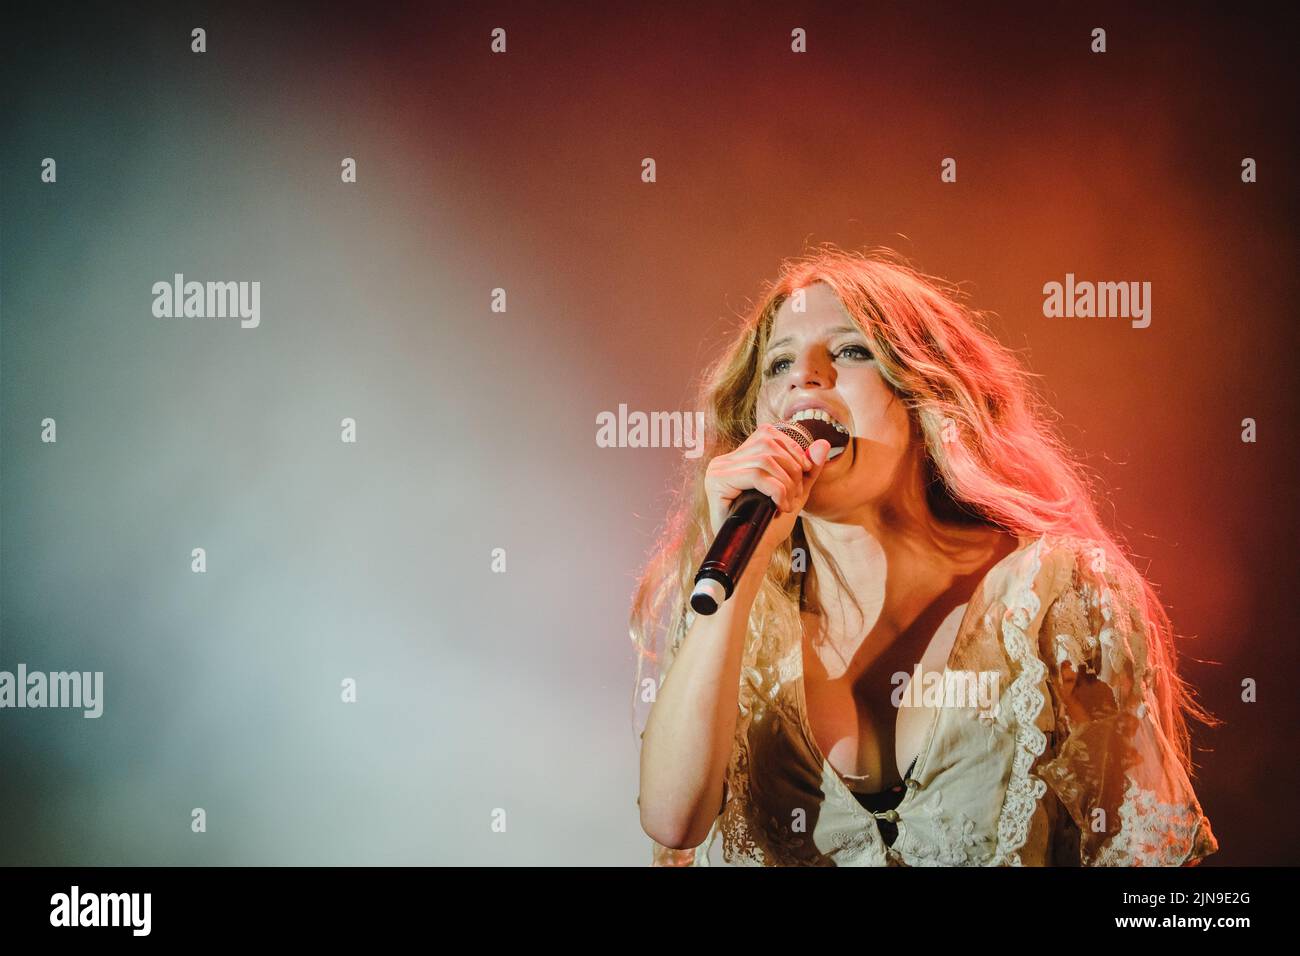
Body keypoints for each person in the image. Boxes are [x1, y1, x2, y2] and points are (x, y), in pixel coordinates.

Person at [630, 246, 1220, 866]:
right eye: (778, 364)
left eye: (851, 350)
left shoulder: (1054, 594)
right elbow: (673, 820)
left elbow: (1150, 865)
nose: (805, 375)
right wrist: (742, 571)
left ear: (923, 393)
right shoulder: (724, 604)